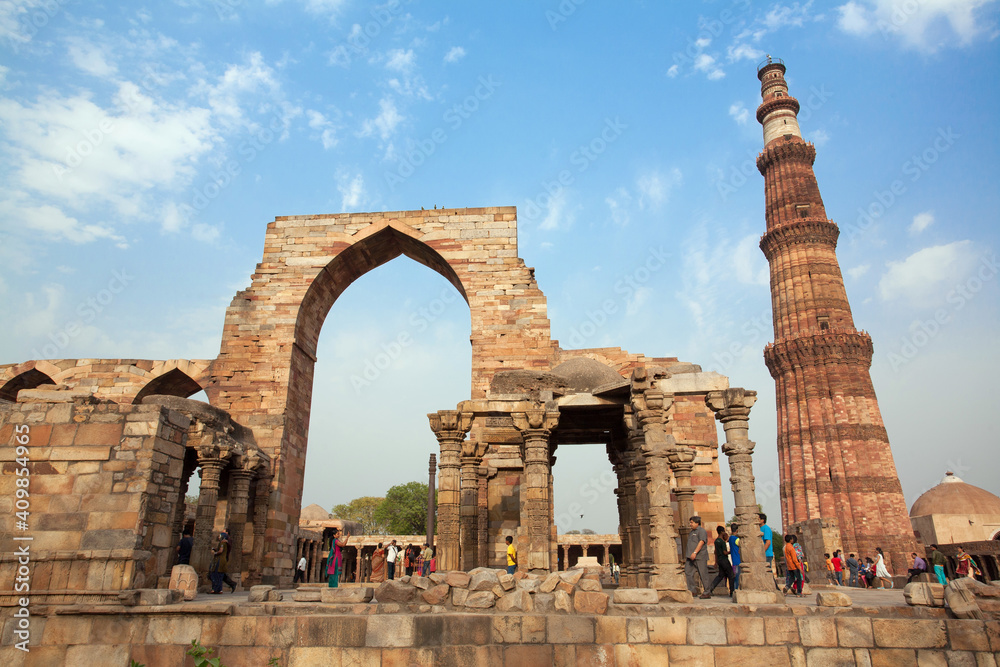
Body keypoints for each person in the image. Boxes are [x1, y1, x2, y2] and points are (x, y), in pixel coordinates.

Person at [685, 516, 711, 599]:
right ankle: (692, 590)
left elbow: (701, 542)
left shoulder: (701, 531)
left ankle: (707, 592)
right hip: (690, 557)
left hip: (699, 556)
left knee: (703, 574)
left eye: (692, 522)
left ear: (697, 523)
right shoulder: (692, 532)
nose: (690, 524)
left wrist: (695, 552)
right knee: (688, 572)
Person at [708, 525, 735, 596]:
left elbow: (715, 552)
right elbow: (724, 552)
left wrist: (716, 562)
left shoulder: (716, 541)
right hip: (724, 560)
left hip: (720, 560)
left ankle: (710, 588)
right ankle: (732, 591)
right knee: (731, 575)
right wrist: (730, 551)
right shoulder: (722, 542)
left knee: (720, 575)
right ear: (722, 532)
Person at [728, 522, 741, 590]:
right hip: (738, 560)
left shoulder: (730, 538)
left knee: (736, 576)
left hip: (734, 560)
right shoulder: (736, 539)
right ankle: (736, 590)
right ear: (737, 530)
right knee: (737, 577)